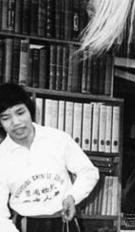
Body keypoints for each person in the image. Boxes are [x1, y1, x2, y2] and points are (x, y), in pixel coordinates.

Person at [0, 83, 99, 232]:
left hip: (65, 222)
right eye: (6, 118)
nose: (16, 123)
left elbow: (89, 172)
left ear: (30, 111)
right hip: (26, 226)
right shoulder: (2, 155)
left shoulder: (58, 139)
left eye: (20, 113)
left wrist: (73, 197)